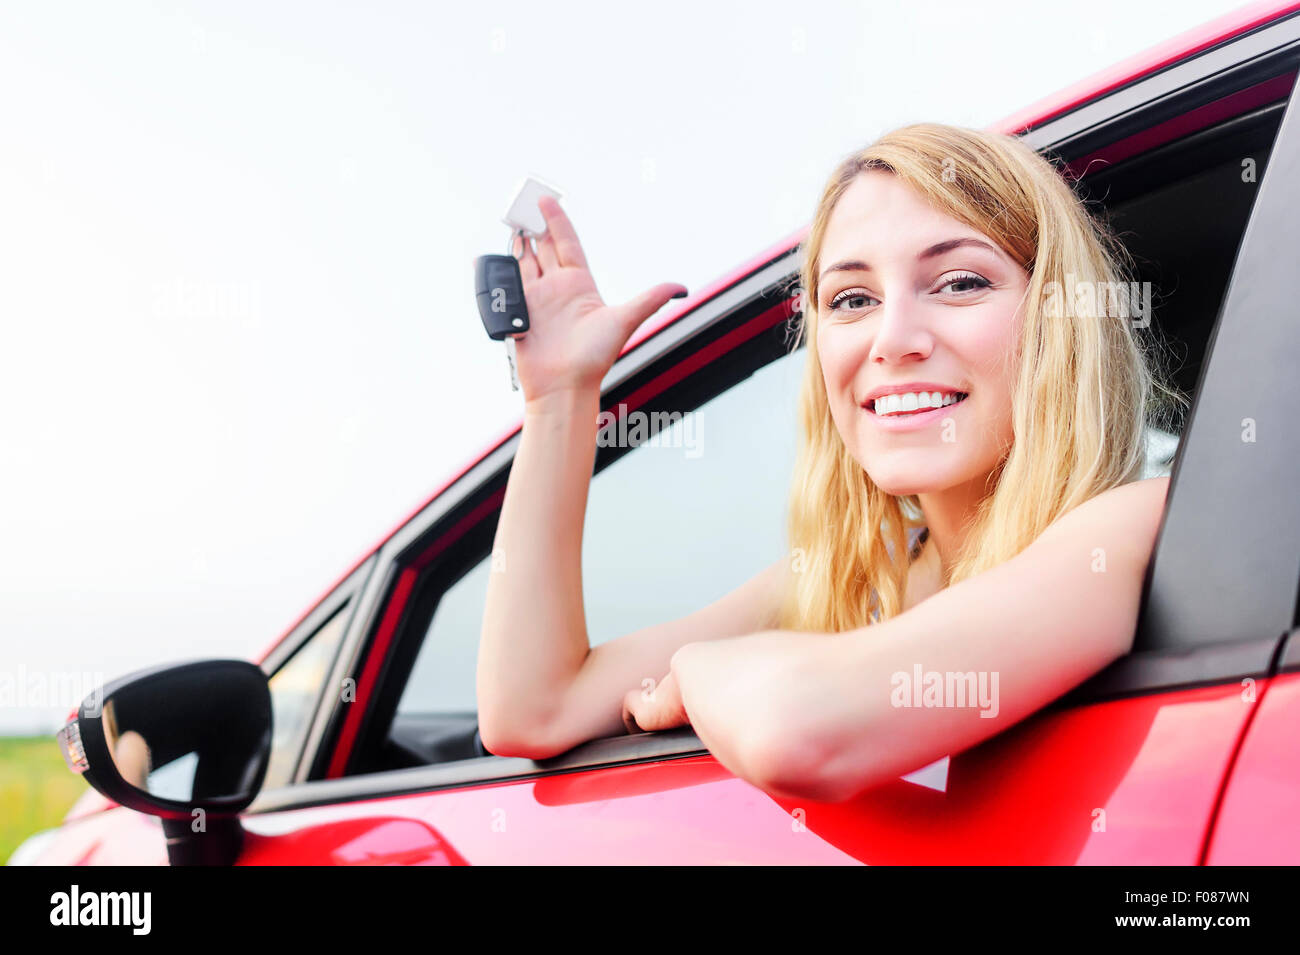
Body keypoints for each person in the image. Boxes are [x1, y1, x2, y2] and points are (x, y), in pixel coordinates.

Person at [475, 122, 1179, 803]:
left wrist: (693, 672)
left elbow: (798, 731)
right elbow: (532, 709)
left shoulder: (1136, 525)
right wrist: (560, 400)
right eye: (852, 299)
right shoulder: (862, 569)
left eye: (960, 282)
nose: (892, 338)